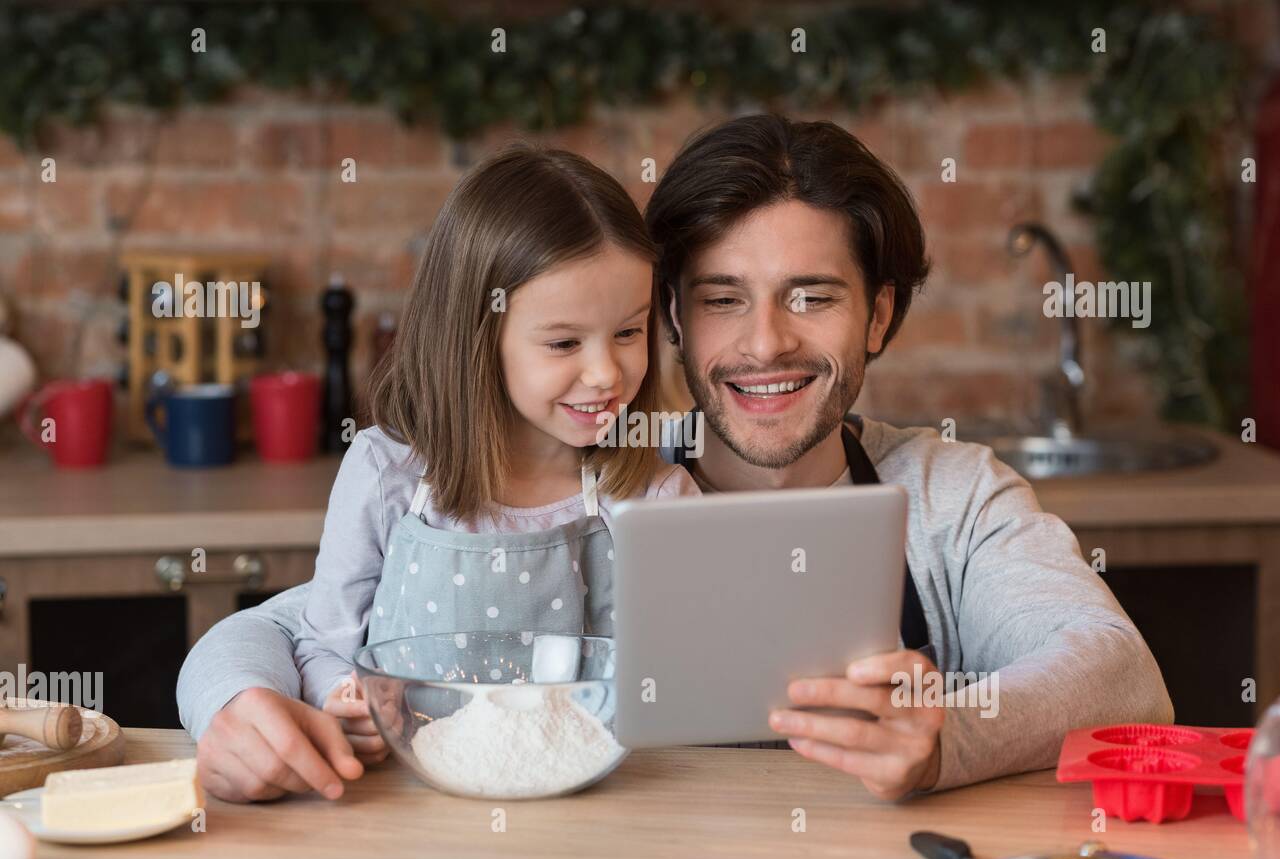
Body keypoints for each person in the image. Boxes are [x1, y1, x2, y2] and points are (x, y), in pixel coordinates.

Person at [179, 114, 1173, 803]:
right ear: (667, 319)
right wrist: (240, 709)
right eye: (721, 296)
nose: (766, 342)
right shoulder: (601, 471)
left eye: (813, 295)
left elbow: (1120, 674)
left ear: (878, 313)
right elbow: (286, 626)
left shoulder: (947, 493)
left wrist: (946, 734)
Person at [183, 144, 698, 803]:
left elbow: (679, 690)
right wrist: (348, 703)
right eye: (565, 342)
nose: (606, 373)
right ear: (477, 336)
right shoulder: (386, 476)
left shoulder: (655, 496)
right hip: (403, 814)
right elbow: (320, 642)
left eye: (628, 333)